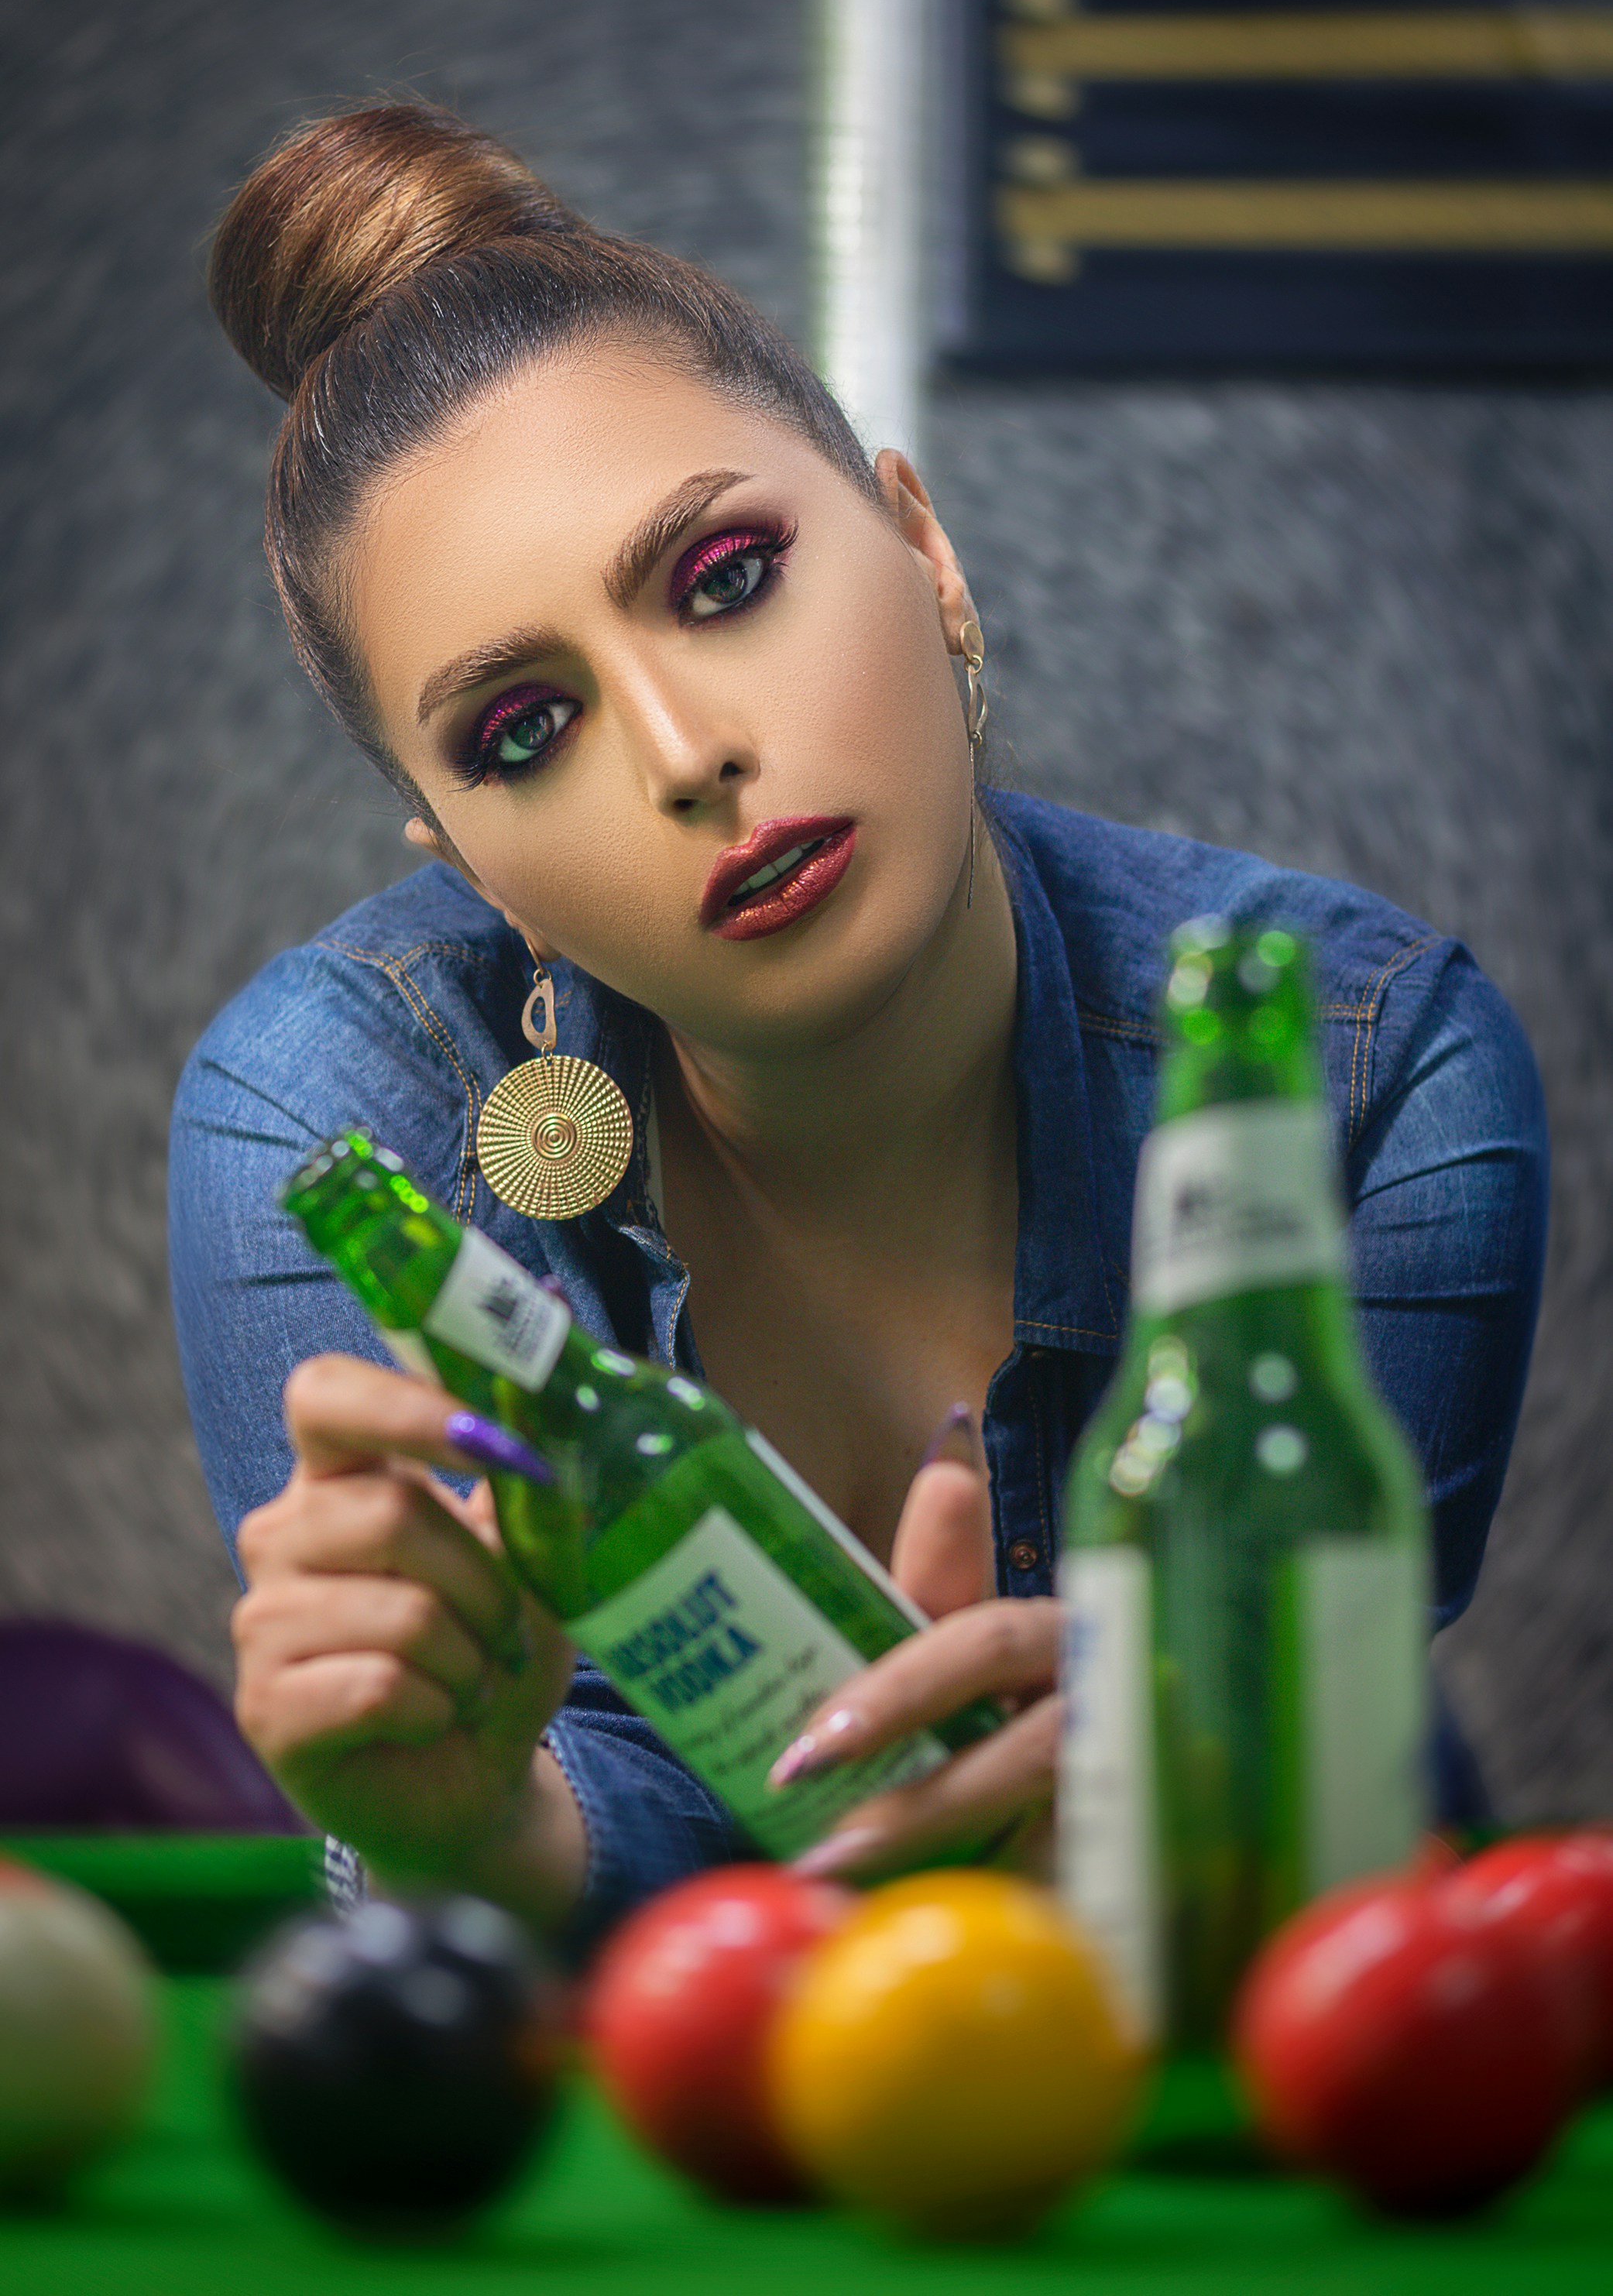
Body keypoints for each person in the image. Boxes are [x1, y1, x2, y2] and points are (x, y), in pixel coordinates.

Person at [171, 103, 1548, 1949]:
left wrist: (1155, 1768)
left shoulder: (1368, 1070)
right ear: (474, 868)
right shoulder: (333, 1128)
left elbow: (1282, 1747)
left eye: (726, 580)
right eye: (524, 730)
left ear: (925, 549)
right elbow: (548, 1825)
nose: (685, 755)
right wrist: (479, 1821)